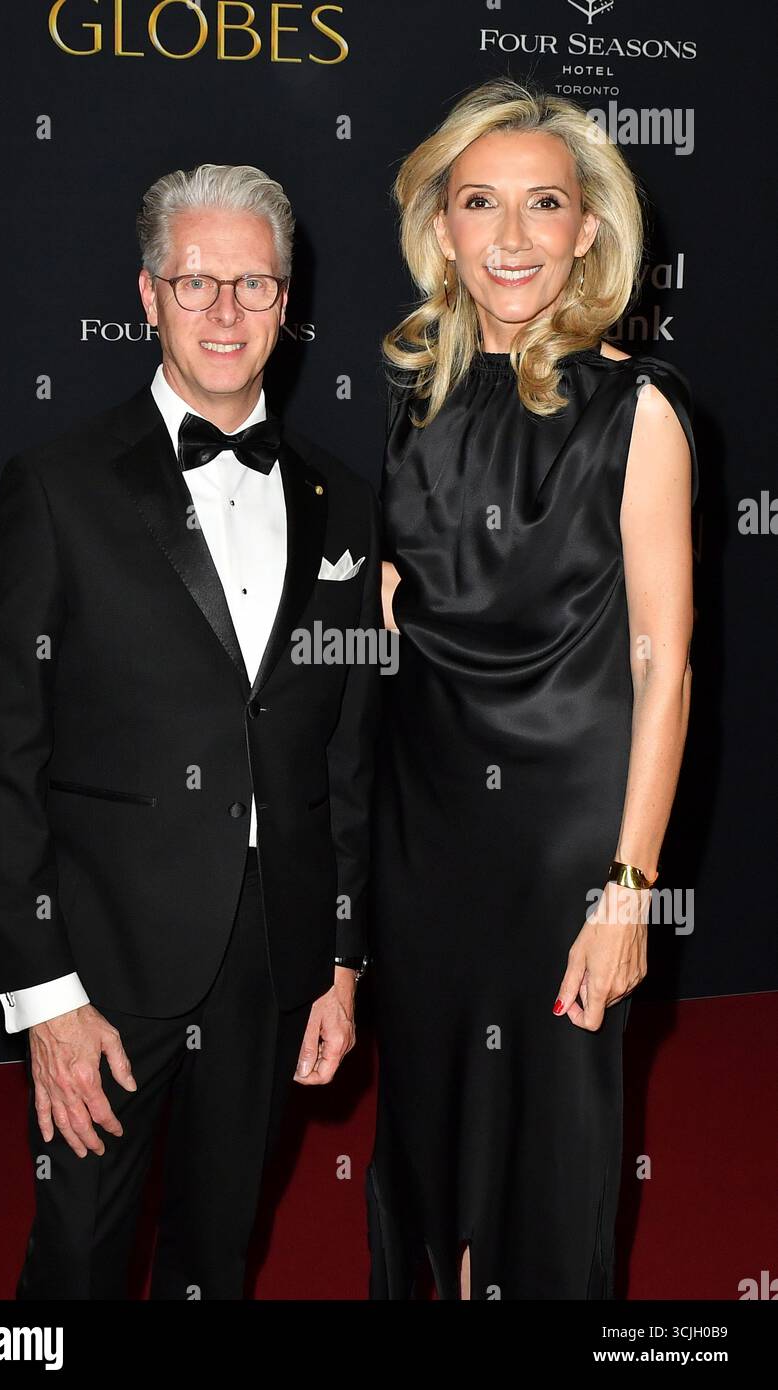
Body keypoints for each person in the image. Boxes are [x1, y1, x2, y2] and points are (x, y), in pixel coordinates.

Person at [0, 162, 381, 1299]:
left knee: (219, 1248)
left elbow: (345, 758)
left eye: (253, 282)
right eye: (197, 283)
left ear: (288, 301)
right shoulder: (54, 487)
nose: (226, 312)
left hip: (269, 954)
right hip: (102, 963)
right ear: (146, 294)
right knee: (79, 1259)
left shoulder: (343, 496)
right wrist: (45, 996)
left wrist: (341, 960)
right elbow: (0, 759)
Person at [366, 79, 699, 1300]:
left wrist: (626, 893)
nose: (510, 236)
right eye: (479, 203)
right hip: (422, 834)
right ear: (441, 229)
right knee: (430, 1137)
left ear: (588, 232)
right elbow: (401, 609)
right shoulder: (414, 399)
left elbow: (662, 663)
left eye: (542, 204)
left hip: (564, 838)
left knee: (545, 1154)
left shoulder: (640, 412)